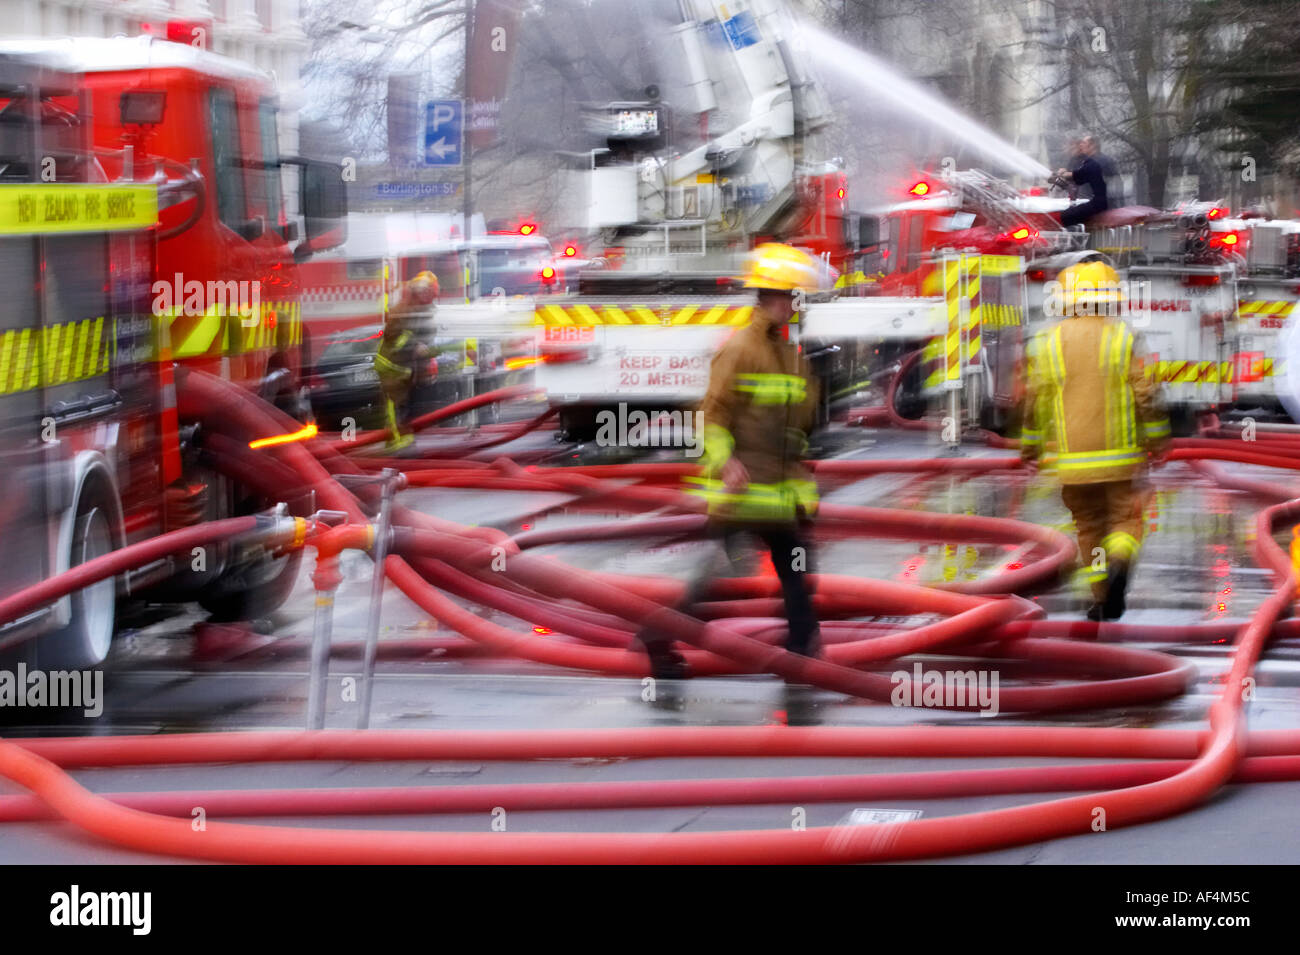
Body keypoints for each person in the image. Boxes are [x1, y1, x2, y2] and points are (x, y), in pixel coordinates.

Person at [633, 242, 823, 685]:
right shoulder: (739, 350)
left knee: (794, 576)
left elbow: (795, 429)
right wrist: (727, 462)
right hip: (744, 495)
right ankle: (658, 636)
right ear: (771, 296)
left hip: (777, 496)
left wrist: (801, 481)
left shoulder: (789, 355)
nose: (795, 305)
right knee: (722, 584)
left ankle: (800, 653)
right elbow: (710, 415)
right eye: (791, 296)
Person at [1020, 260, 1170, 621]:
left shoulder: (1048, 341)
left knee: (1088, 526)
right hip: (1120, 460)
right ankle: (1119, 564)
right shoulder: (1124, 337)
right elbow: (1146, 394)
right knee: (1124, 521)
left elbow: (1035, 401)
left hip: (1072, 465)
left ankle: (1102, 598)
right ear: (1110, 297)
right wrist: (1159, 440)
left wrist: (1031, 446)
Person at [374, 271, 437, 451]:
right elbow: (392, 336)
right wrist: (415, 345)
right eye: (424, 291)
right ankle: (395, 441)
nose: (427, 295)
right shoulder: (403, 310)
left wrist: (424, 350)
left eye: (429, 291)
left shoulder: (423, 311)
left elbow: (425, 336)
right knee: (394, 406)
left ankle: (404, 440)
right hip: (391, 366)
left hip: (405, 368)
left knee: (403, 406)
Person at [1056, 134, 1111, 229]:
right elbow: (1079, 179)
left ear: (1093, 146)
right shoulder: (1092, 160)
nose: (1081, 145)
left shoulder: (1096, 161)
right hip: (1098, 200)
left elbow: (1078, 175)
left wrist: (1063, 173)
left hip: (1098, 202)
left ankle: (1076, 239)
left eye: (1084, 143)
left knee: (1066, 216)